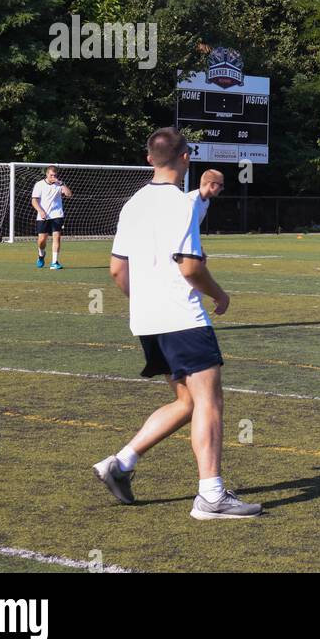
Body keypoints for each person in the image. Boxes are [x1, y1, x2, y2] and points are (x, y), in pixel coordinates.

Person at [93, 127, 260, 520]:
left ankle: (121, 463)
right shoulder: (181, 204)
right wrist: (219, 295)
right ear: (185, 157)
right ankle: (211, 496)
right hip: (181, 317)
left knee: (186, 401)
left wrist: (146, 301)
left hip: (147, 320)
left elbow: (117, 270)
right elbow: (189, 266)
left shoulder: (132, 204)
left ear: (150, 158)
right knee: (209, 400)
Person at [31, 166, 72, 270]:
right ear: (47, 174)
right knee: (41, 241)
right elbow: (34, 201)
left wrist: (62, 184)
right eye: (51, 175)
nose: (53, 177)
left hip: (57, 215)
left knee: (57, 237)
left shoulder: (59, 185)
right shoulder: (39, 184)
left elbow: (69, 194)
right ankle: (41, 255)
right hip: (43, 216)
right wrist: (41, 211)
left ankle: (54, 262)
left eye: (55, 175)